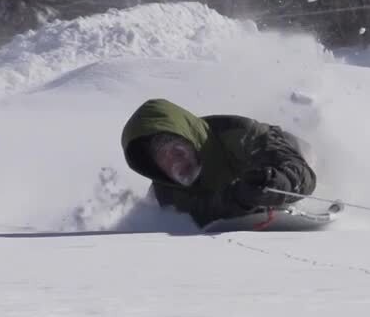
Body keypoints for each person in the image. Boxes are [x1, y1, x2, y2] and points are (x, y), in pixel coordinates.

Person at [121, 98, 316, 228]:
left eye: (176, 148)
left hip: (294, 155)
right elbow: (198, 214)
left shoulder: (240, 133)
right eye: (162, 158)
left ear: (189, 137)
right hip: (243, 201)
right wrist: (238, 199)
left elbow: (300, 171)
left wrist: (276, 182)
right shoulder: (166, 192)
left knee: (310, 158)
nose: (174, 160)